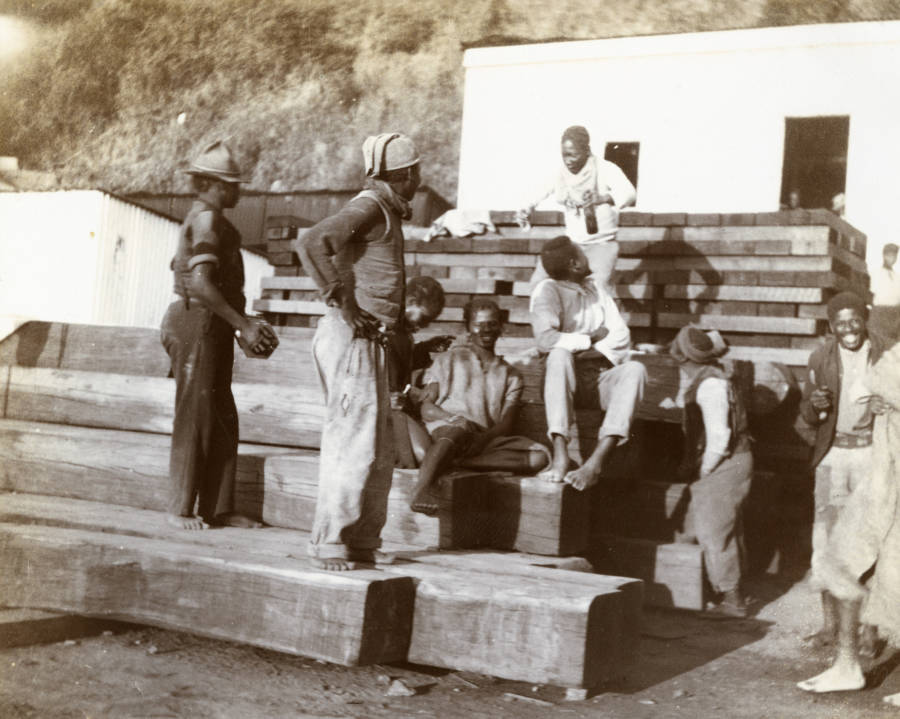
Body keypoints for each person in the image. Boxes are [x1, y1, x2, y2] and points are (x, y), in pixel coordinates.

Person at [295, 132, 420, 571]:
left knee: (378, 448)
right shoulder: (369, 206)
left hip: (374, 340)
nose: (418, 183)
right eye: (415, 174)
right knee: (351, 444)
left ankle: (362, 540)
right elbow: (311, 242)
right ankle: (330, 542)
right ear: (403, 175)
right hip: (354, 340)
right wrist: (346, 305)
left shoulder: (386, 209)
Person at [161, 140, 279, 531]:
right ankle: (182, 508)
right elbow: (199, 284)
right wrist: (242, 324)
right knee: (195, 414)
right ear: (214, 184)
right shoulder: (207, 220)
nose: (239, 191)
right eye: (233, 184)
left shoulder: (208, 220)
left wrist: (239, 320)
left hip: (212, 323)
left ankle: (219, 508)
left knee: (221, 415)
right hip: (197, 321)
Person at [797, 340, 900, 705]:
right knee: (839, 562)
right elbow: (861, 391)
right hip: (885, 478)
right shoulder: (893, 358)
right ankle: (846, 664)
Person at [798, 291, 886, 649]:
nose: (848, 330)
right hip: (834, 457)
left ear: (864, 319)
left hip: (872, 455)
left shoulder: (887, 354)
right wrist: (815, 406)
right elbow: (806, 414)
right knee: (826, 540)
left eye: (853, 321)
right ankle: (829, 625)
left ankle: (870, 629)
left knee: (872, 542)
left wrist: (889, 404)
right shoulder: (821, 357)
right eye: (839, 323)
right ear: (830, 326)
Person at [408, 299, 550, 515]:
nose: (486, 330)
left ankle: (458, 461)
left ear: (501, 326)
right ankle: (422, 488)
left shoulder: (511, 376)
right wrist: (452, 419)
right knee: (459, 430)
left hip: (482, 440)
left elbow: (505, 424)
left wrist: (482, 440)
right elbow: (427, 409)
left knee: (539, 457)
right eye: (479, 324)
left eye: (492, 324)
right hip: (445, 431)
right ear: (468, 327)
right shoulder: (448, 359)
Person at [529, 235, 647, 490]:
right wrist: (590, 339)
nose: (588, 257)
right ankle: (561, 455)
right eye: (582, 254)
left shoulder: (596, 289)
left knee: (635, 369)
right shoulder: (547, 291)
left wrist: (581, 349)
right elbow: (546, 340)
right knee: (559, 355)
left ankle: (595, 462)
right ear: (574, 264)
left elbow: (621, 336)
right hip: (560, 382)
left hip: (598, 377)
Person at [670, 325, 754, 618]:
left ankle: (732, 600)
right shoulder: (706, 379)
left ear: (684, 357)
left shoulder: (710, 386)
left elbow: (719, 437)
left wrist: (704, 471)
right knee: (725, 527)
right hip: (732, 460)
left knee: (714, 531)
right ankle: (731, 590)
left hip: (725, 461)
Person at [516, 125, 636, 294]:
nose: (568, 160)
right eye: (564, 154)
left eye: (573, 155)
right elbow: (538, 191)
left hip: (601, 245)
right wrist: (525, 209)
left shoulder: (605, 168)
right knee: (539, 283)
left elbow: (629, 193)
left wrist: (602, 198)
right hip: (573, 245)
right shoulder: (559, 173)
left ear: (587, 150)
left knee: (598, 292)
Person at [389, 275, 454, 468]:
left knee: (435, 452)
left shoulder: (405, 333)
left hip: (400, 406)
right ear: (411, 302)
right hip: (383, 408)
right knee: (424, 455)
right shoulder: (386, 328)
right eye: (424, 318)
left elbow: (402, 363)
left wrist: (425, 347)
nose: (423, 326)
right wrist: (385, 397)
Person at [870, 242, 900, 344]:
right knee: (879, 343)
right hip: (880, 314)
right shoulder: (876, 273)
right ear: (884, 256)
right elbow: (871, 294)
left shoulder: (897, 277)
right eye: (890, 255)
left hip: (895, 315)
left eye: (895, 255)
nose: (893, 258)